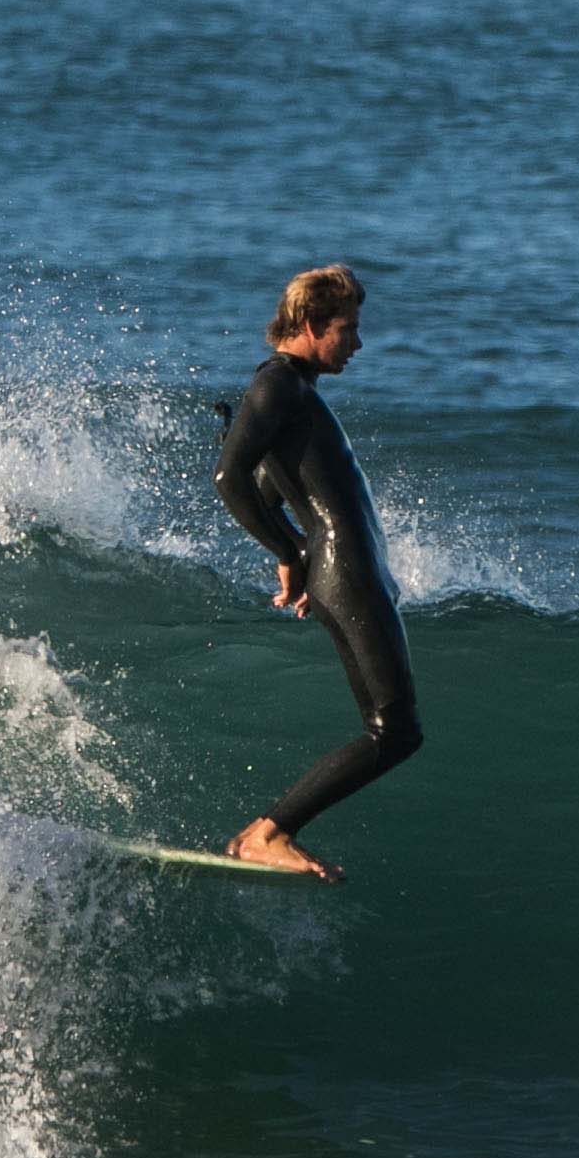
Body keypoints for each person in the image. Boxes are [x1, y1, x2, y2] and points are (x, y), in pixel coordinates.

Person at [211, 263, 421, 878]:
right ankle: (269, 833)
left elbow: (267, 485)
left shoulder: (294, 391)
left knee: (398, 732)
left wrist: (295, 552)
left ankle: (261, 832)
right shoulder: (277, 385)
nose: (357, 344)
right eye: (347, 329)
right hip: (346, 575)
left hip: (351, 573)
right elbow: (229, 480)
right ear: (309, 325)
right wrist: (290, 553)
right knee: (394, 732)